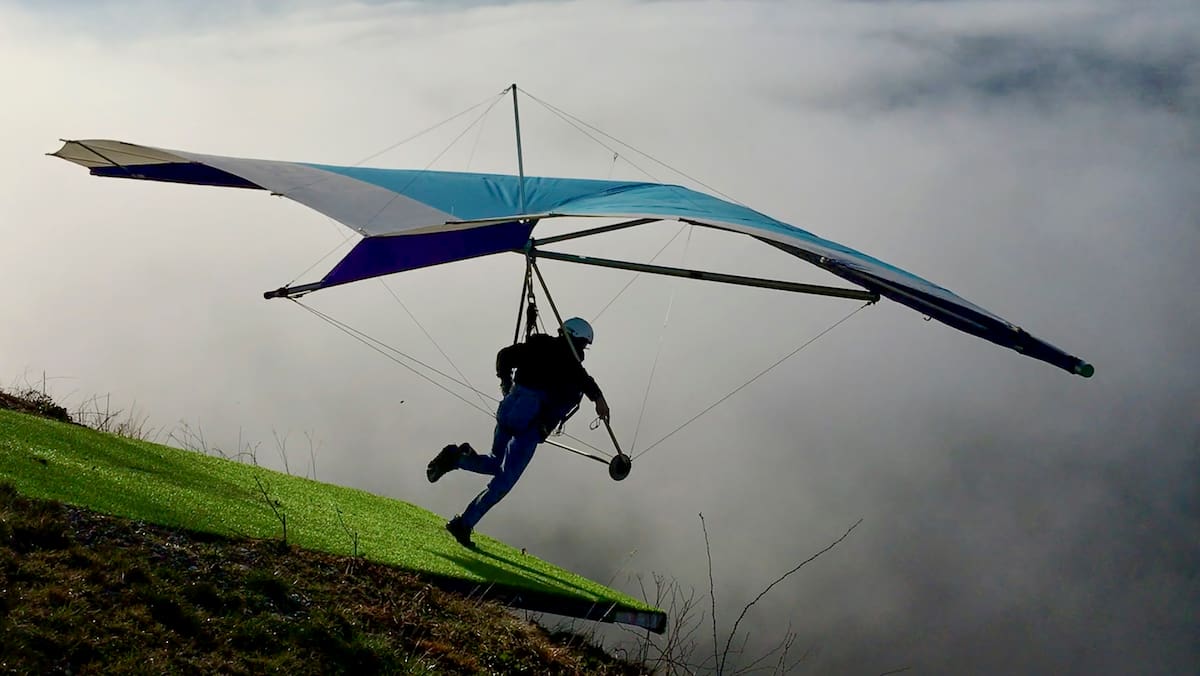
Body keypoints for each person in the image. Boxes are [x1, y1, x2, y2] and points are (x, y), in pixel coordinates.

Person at [426, 317, 611, 548]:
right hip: (530, 422)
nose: (583, 349)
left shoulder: (537, 346)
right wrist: (598, 399)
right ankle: (463, 524)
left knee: (495, 463)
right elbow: (583, 379)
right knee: (504, 481)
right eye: (583, 344)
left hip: (509, 408)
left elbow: (504, 355)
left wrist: (505, 382)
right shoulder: (566, 360)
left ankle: (457, 458)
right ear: (576, 340)